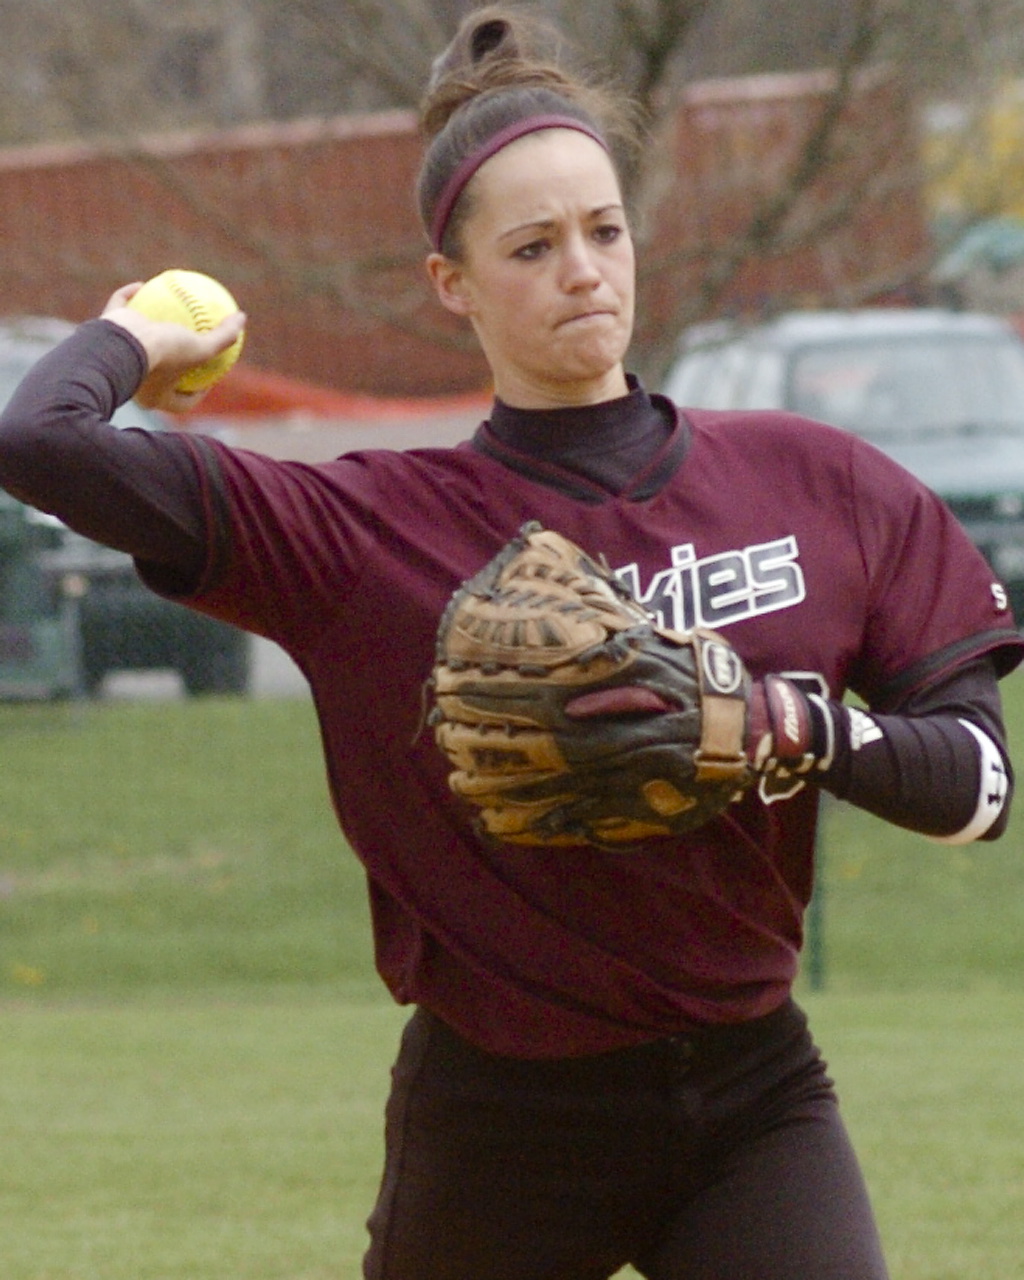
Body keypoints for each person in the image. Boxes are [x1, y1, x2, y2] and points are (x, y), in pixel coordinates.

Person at [1, 8, 1021, 1278]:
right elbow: (39, 439)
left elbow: (981, 788)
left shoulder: (815, 481)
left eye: (604, 229)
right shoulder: (365, 532)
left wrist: (787, 724)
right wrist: (145, 333)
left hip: (752, 1099)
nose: (583, 270)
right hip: (500, 1124)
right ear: (454, 283)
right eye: (533, 246)